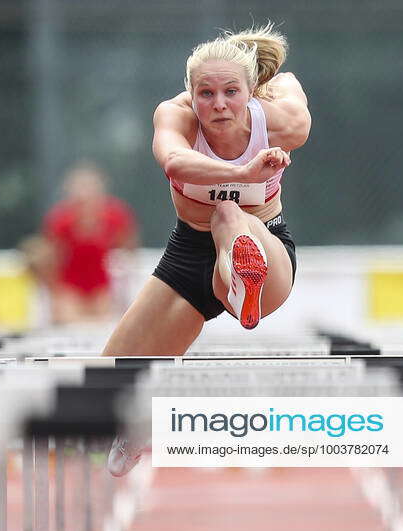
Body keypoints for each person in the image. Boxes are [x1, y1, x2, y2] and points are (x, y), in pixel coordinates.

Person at [103, 24, 311, 476]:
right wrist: (245, 173)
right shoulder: (174, 115)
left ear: (253, 91)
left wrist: (254, 156)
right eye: (206, 93)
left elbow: (299, 123)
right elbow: (174, 161)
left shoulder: (275, 115)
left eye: (232, 92)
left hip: (264, 244)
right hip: (187, 256)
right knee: (106, 380)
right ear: (189, 94)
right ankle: (140, 421)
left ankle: (240, 278)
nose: (218, 106)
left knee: (228, 216)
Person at [42, 163, 138, 324]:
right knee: (70, 322)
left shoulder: (114, 216)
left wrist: (123, 289)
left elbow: (129, 249)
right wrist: (55, 296)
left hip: (101, 287)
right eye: (80, 190)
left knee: (105, 324)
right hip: (70, 287)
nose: (85, 196)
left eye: (90, 188)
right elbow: (51, 262)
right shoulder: (61, 220)